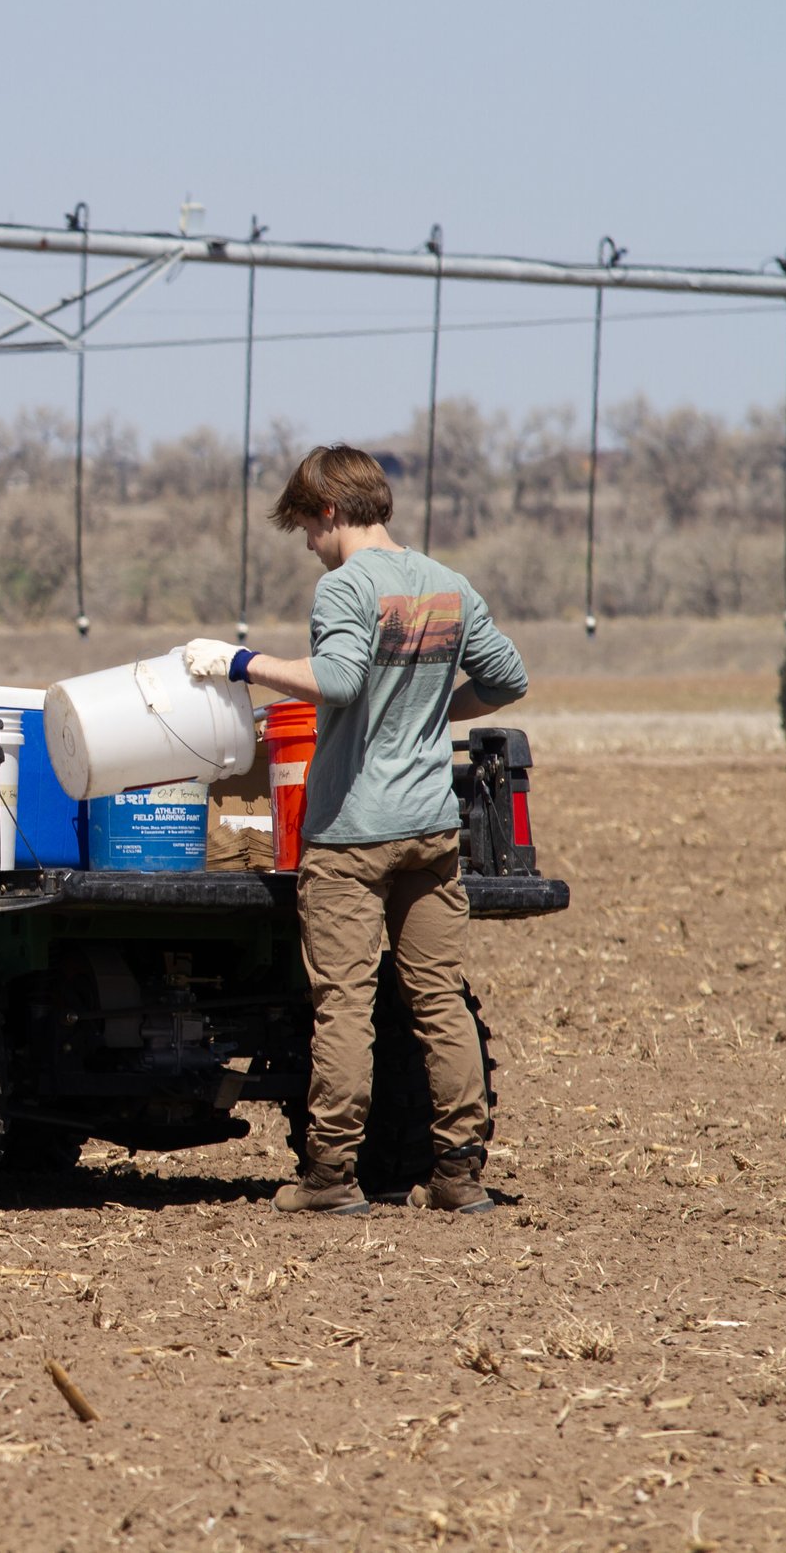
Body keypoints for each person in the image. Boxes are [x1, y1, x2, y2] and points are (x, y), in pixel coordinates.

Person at [182, 444, 526, 1216]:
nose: (309, 543)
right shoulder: (448, 584)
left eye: (308, 526)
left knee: (343, 1003)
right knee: (438, 1000)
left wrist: (239, 662)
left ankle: (332, 1177)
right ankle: (460, 1174)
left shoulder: (345, 587)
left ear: (331, 511)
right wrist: (435, 713)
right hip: (431, 829)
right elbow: (509, 678)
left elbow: (336, 679)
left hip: (351, 832)